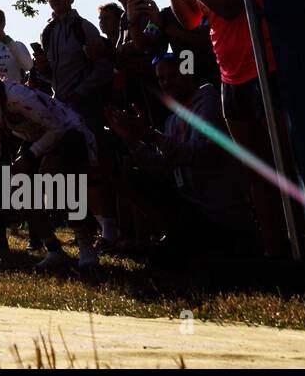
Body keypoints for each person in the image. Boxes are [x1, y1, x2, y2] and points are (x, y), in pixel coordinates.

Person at [141, 0, 293, 257]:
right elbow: (191, 20)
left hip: (261, 66)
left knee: (281, 163)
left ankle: (303, 244)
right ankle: (273, 253)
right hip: (231, 74)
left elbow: (229, 7)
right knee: (254, 169)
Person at [104, 55, 259, 259]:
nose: (167, 83)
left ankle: (199, 246)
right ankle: (176, 238)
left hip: (221, 215)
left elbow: (202, 154)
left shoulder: (208, 100)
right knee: (132, 177)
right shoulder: (172, 121)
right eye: (161, 79)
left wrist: (150, 134)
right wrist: (131, 140)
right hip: (192, 209)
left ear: (188, 73)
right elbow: (164, 170)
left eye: (173, 76)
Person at [0, 57, 109, 271]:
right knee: (19, 189)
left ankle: (85, 245)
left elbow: (57, 127)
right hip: (34, 138)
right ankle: (53, 249)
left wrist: (30, 155)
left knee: (53, 176)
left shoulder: (16, 96)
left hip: (67, 131)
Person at [32, 0, 114, 133]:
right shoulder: (46, 32)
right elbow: (53, 74)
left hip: (87, 105)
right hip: (60, 106)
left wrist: (80, 93)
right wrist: (43, 70)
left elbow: (104, 68)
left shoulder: (84, 27)